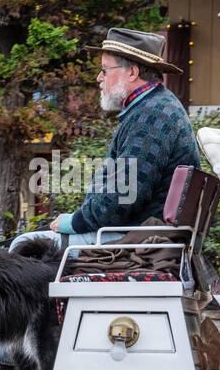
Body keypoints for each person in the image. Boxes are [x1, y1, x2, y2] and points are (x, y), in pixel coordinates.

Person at [13, 27, 200, 250]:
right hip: (144, 233)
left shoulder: (151, 114)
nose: (99, 77)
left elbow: (122, 198)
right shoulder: (155, 105)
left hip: (139, 238)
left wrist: (75, 221)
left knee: (24, 244)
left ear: (132, 72)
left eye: (104, 70)